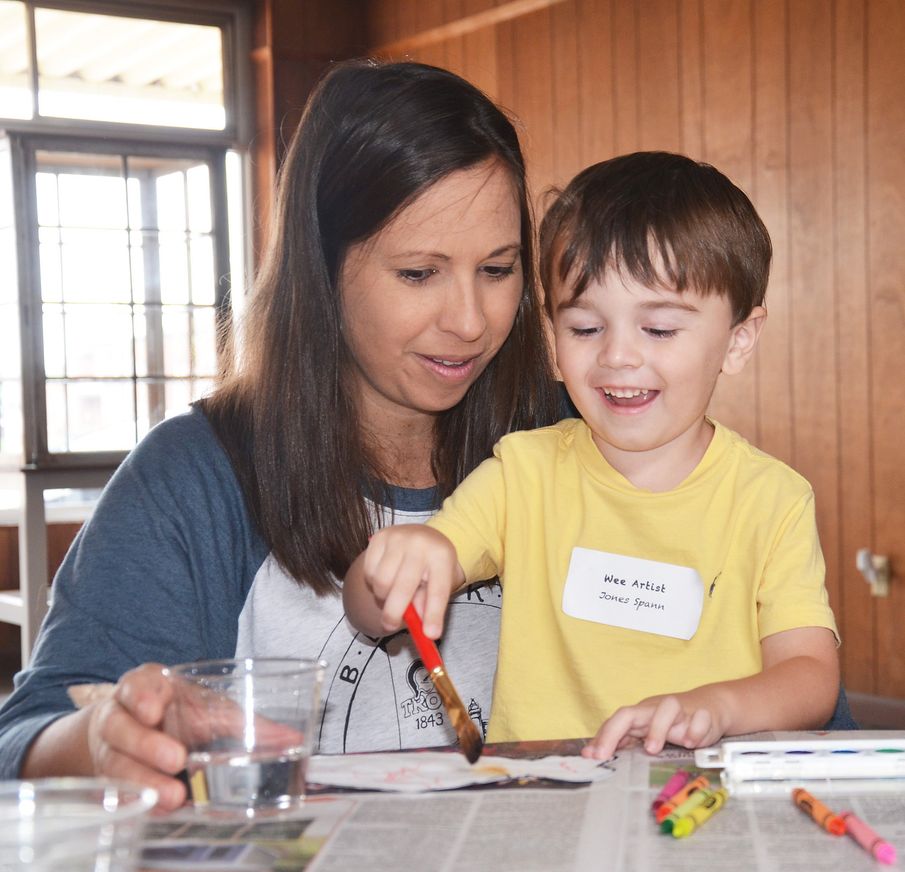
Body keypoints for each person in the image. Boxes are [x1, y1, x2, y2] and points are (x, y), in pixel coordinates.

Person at [0, 60, 561, 809]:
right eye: (419, 273)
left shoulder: (564, 437)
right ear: (321, 268)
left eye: (497, 269)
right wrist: (103, 739)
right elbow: (25, 734)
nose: (469, 320)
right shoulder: (196, 476)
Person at [344, 151, 844, 761]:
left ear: (738, 341)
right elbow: (375, 615)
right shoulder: (521, 474)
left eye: (658, 330)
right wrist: (396, 569)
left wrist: (718, 707)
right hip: (547, 804)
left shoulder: (773, 499)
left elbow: (811, 676)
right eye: (585, 329)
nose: (618, 358)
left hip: (700, 802)